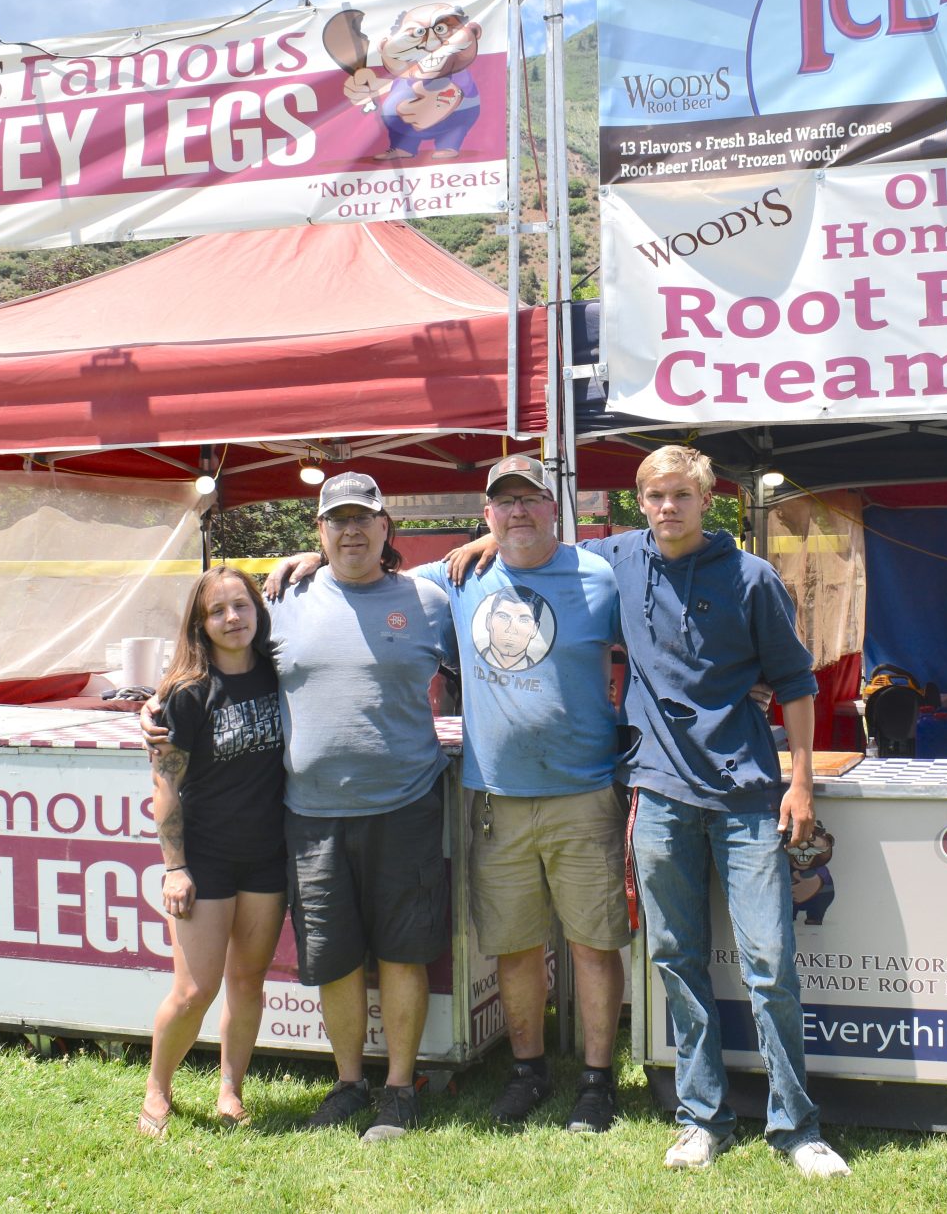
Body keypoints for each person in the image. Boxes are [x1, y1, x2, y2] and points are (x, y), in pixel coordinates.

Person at [447, 445, 849, 1177]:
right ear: (640, 503)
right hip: (659, 795)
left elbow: (796, 684)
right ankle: (701, 1117)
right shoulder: (620, 560)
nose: (667, 507)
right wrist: (485, 536)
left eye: (680, 496)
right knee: (677, 962)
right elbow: (531, 536)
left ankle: (797, 1126)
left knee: (769, 964)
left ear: (708, 500)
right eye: (654, 496)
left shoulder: (751, 578)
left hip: (746, 798)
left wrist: (801, 786)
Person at [271, 453, 630, 1133]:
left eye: (531, 500)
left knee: (592, 942)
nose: (519, 511)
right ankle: (527, 1071)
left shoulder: (598, 576)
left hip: (583, 790)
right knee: (515, 944)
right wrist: (309, 558)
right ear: (486, 513)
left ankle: (597, 1080)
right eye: (504, 503)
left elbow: (649, 643)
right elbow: (362, 569)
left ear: (555, 507)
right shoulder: (449, 582)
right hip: (493, 794)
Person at [144, 472, 455, 1143]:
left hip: (405, 806)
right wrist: (159, 703)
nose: (351, 530)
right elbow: (212, 660)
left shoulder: (430, 599)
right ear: (317, 531)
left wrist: (488, 532)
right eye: (335, 520)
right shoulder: (282, 601)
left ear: (385, 526)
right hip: (310, 817)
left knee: (403, 954)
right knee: (335, 957)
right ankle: (349, 1083)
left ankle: (399, 1088)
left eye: (363, 518)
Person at [139, 568, 288, 1137]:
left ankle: (231, 1090)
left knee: (248, 981)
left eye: (241, 605)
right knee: (196, 988)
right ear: (200, 625)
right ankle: (158, 1087)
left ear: (257, 610)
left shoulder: (279, 673)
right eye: (219, 610)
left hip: (268, 855)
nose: (233, 618)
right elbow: (165, 787)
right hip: (206, 859)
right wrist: (174, 868)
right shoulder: (187, 692)